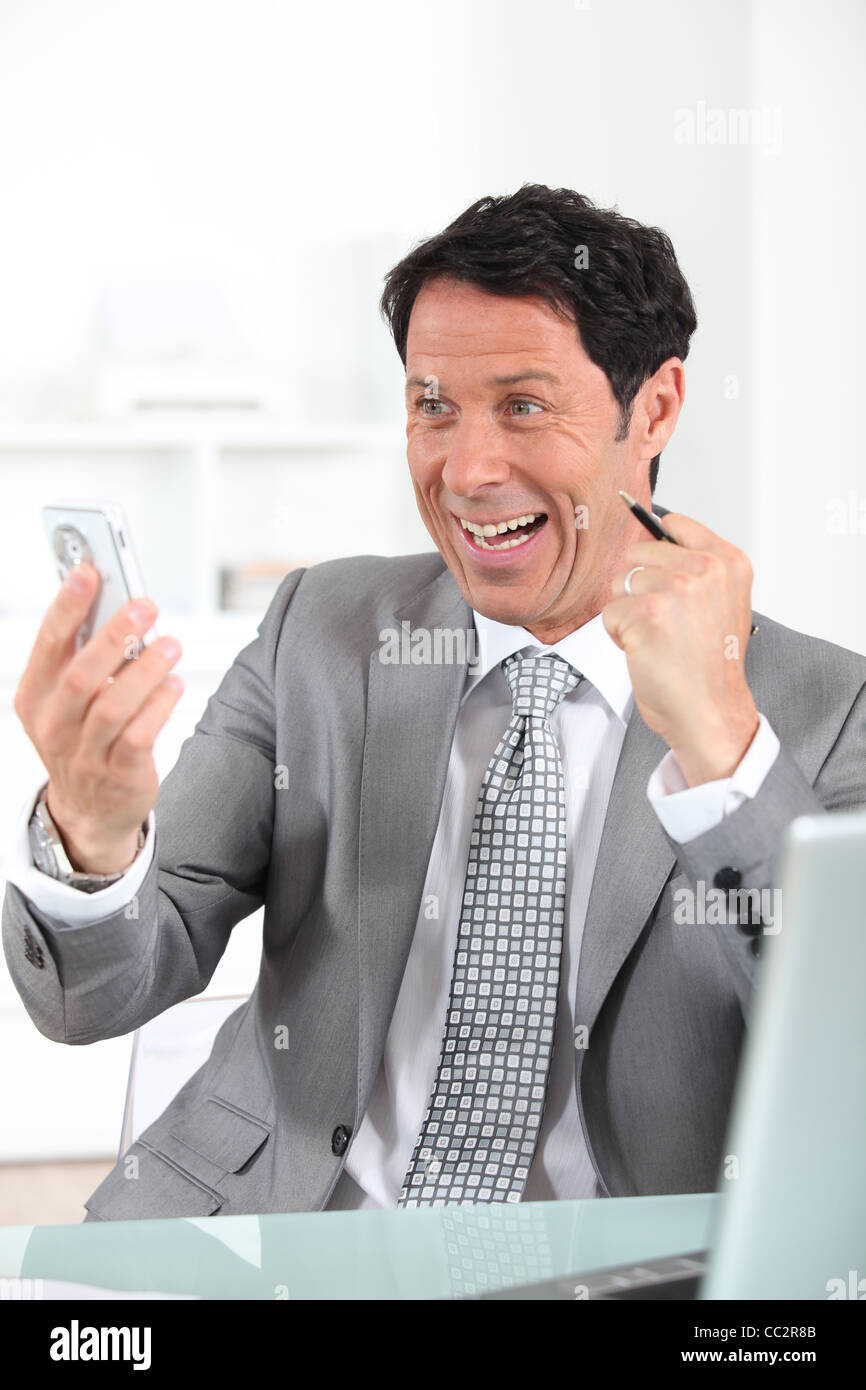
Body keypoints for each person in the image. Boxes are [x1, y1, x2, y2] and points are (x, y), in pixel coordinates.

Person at [4, 184, 865, 1220]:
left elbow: (842, 1047)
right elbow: (93, 994)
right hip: (284, 1243)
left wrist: (722, 751)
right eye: (431, 406)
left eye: (523, 405)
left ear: (656, 408)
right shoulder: (318, 627)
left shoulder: (821, 706)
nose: (465, 470)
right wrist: (91, 840)